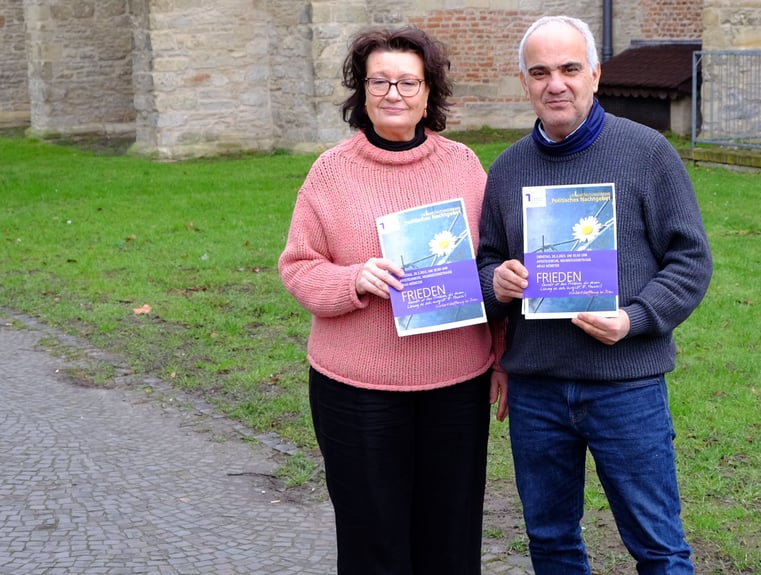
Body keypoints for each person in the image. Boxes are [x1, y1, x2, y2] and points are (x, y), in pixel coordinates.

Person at [476, 15, 712, 575]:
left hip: (625, 384)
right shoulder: (507, 169)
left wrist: (635, 318)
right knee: (550, 540)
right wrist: (496, 283)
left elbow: (690, 260)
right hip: (537, 389)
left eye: (569, 69)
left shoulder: (647, 152)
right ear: (525, 82)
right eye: (540, 73)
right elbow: (486, 261)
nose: (555, 84)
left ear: (596, 75)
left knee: (658, 545)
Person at [278, 26, 507, 575]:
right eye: (379, 81)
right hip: (357, 391)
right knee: (371, 543)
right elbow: (298, 266)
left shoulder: (464, 166)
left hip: (456, 385)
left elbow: (490, 264)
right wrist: (354, 279)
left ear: (429, 93)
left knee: (450, 541)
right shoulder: (330, 172)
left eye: (408, 82)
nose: (393, 93)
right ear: (362, 92)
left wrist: (501, 356)